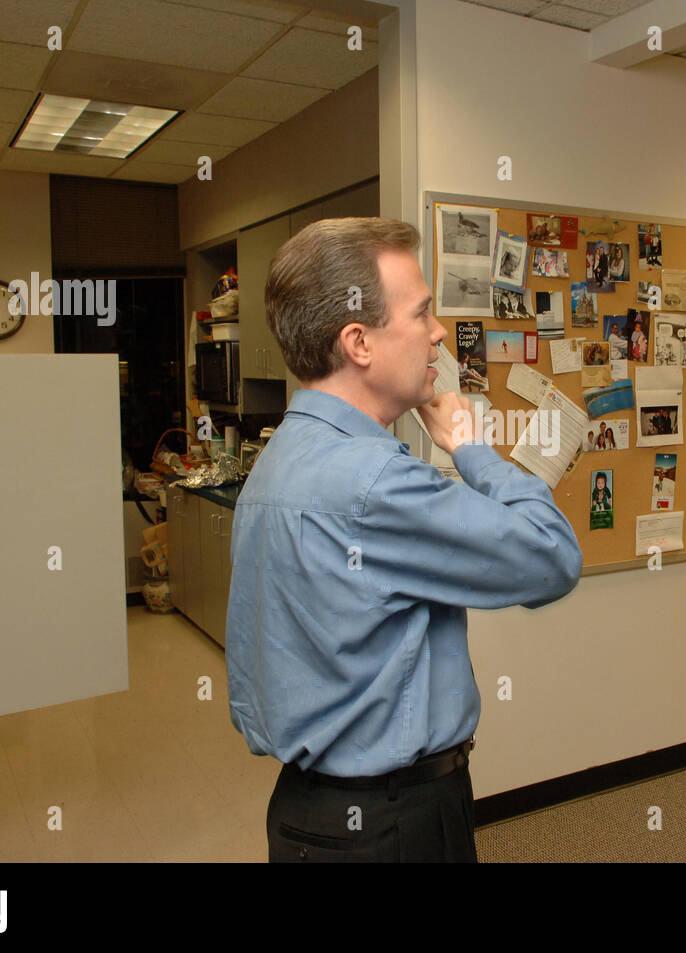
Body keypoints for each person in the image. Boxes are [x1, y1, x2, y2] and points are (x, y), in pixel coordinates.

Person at [227, 218, 583, 863]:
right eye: (421, 313)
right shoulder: (373, 483)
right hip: (389, 823)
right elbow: (551, 557)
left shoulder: (286, 454)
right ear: (359, 342)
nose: (439, 332)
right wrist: (472, 451)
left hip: (312, 812)